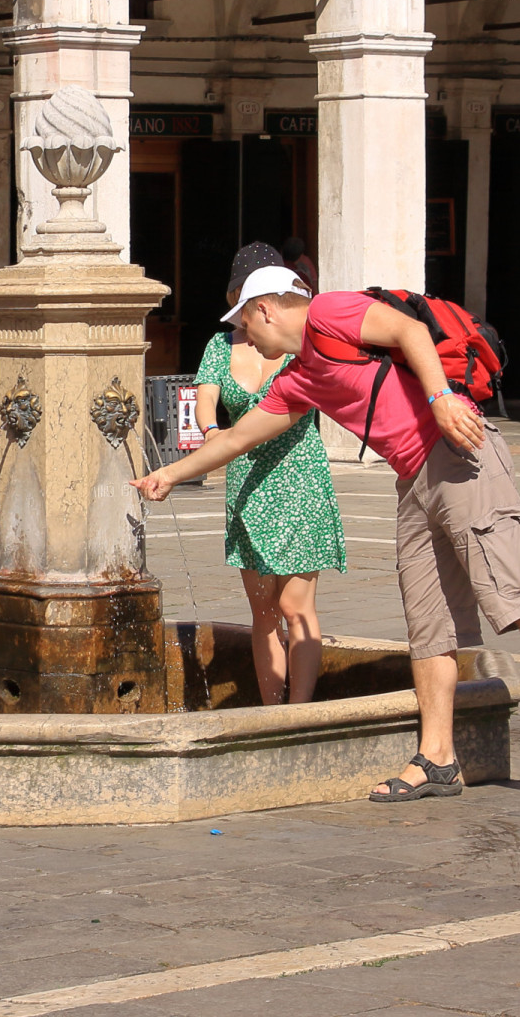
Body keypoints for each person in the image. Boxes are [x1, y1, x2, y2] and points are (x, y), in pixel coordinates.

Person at [135, 266, 520, 809]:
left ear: (266, 309)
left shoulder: (331, 312)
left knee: (515, 589)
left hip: (459, 454)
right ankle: (437, 756)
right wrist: (170, 475)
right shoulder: (302, 378)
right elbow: (241, 437)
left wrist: (439, 398)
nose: (244, 334)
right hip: (412, 479)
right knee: (429, 620)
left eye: (246, 321)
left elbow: (409, 332)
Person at [192, 247, 345, 704]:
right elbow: (205, 402)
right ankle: (271, 711)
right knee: (263, 611)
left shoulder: (301, 342)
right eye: (236, 291)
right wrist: (211, 432)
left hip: (300, 478)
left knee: (295, 606)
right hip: (248, 484)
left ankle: (298, 712)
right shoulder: (219, 346)